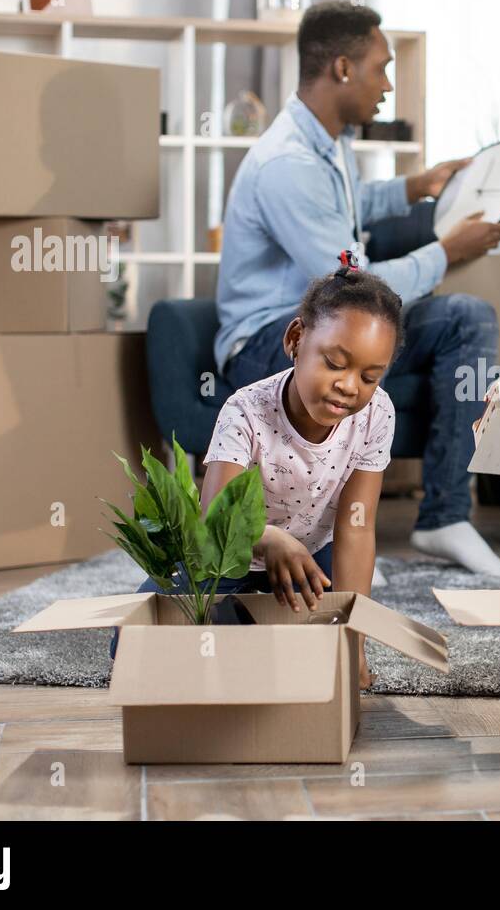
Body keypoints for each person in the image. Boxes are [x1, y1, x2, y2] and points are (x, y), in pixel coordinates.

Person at [215, 0, 500, 576]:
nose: (387, 84)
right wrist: (447, 252)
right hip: (266, 339)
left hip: (326, 324)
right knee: (451, 310)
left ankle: (444, 518)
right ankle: (338, 537)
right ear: (343, 69)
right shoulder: (286, 164)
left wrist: (415, 186)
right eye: (381, 68)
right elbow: (351, 281)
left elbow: (350, 203)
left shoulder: (329, 142)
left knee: (467, 316)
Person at [114, 263, 402, 688]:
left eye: (369, 377)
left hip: (309, 560)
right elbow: (215, 519)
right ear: (296, 339)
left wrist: (354, 645)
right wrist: (268, 538)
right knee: (133, 645)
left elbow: (357, 529)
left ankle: (260, 628)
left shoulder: (377, 414)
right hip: (228, 557)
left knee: (317, 655)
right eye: (335, 364)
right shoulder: (245, 411)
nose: (349, 386)